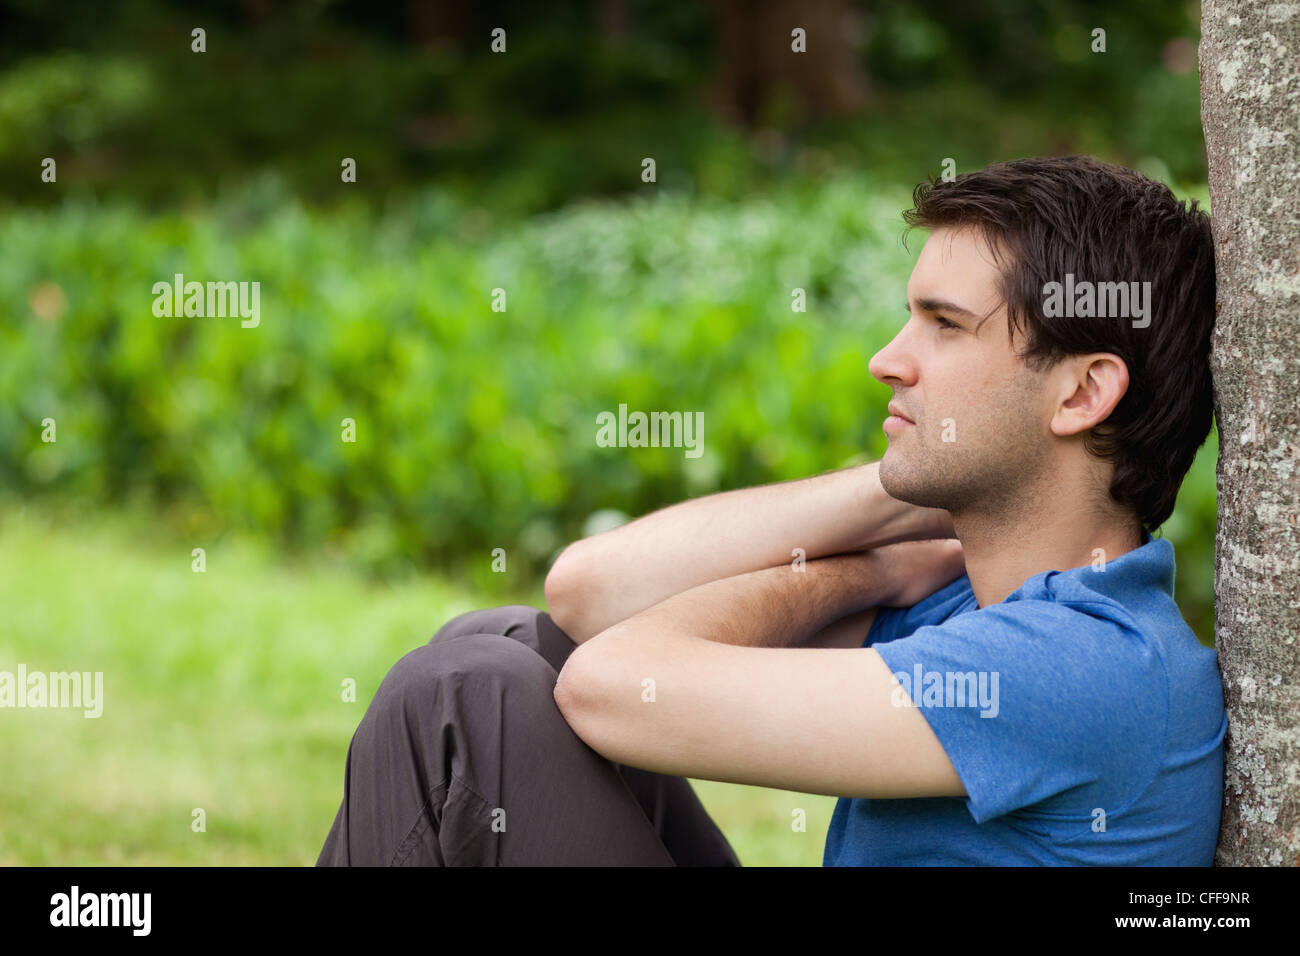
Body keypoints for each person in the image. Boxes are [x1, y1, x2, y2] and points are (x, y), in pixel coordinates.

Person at [317, 155, 1225, 866]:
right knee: (510, 647)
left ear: (1080, 396)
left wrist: (871, 568)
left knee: (462, 699)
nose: (888, 358)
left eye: (945, 326)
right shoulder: (975, 604)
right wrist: (891, 501)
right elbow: (588, 597)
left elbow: (612, 686)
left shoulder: (1091, 667)